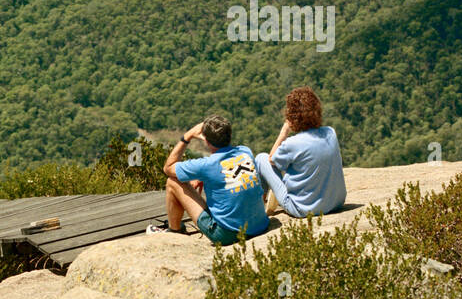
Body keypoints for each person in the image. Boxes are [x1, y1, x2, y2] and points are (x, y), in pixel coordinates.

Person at [147, 113, 270, 244]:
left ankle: (174, 231)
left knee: (172, 182)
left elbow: (168, 168)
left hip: (226, 235)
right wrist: (201, 178)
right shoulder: (246, 152)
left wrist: (187, 136)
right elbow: (231, 172)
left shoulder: (207, 165)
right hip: (259, 225)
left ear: (206, 141)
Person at [256, 87, 347, 219]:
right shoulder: (330, 132)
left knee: (261, 158)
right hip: (336, 202)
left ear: (291, 116)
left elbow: (271, 160)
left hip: (302, 208)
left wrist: (284, 132)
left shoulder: (292, 143)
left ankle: (260, 206)